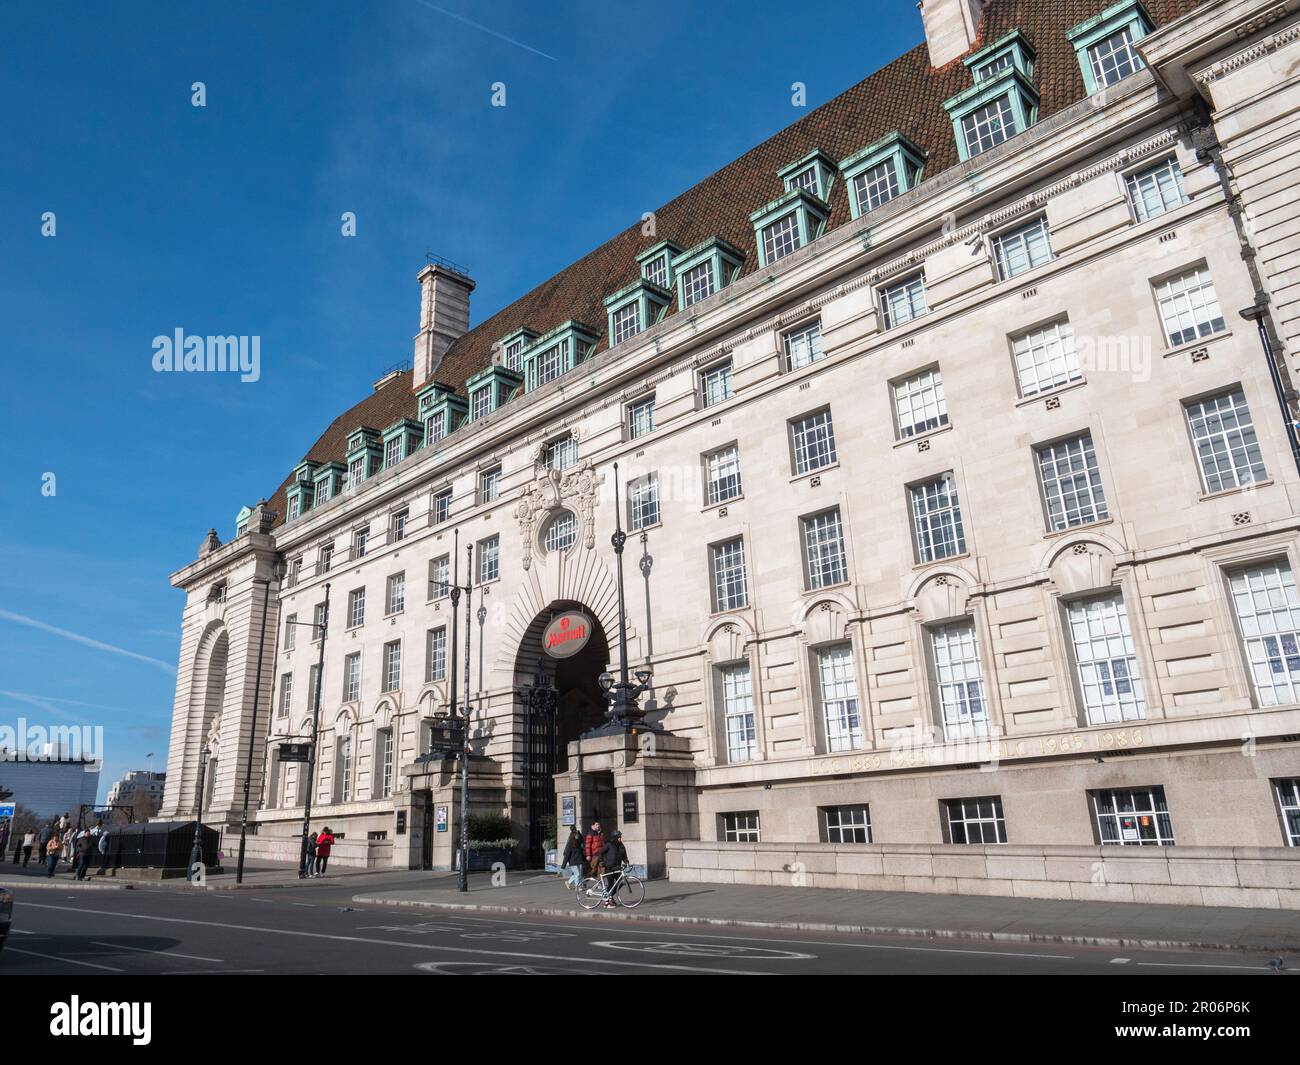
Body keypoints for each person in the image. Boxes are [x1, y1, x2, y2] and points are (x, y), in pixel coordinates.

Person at [599, 831, 629, 907]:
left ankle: (610, 896)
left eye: (620, 837)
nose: (620, 838)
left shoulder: (621, 845)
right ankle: (608, 901)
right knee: (611, 884)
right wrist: (602, 861)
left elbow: (624, 855)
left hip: (617, 867)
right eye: (619, 837)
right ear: (615, 837)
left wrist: (626, 861)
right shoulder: (609, 844)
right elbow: (601, 852)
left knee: (621, 882)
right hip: (609, 867)